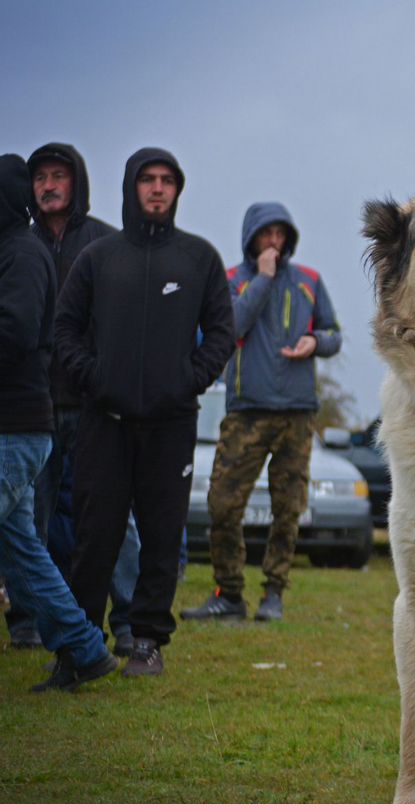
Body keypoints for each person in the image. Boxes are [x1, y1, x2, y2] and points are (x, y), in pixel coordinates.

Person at [54, 147, 234, 677]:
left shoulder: (199, 258)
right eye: (148, 179)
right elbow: (65, 328)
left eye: (167, 181)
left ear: (178, 190)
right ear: (131, 186)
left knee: (160, 539)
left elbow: (221, 333)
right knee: (95, 537)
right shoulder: (99, 258)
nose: (157, 188)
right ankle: (81, 647)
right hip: (104, 423)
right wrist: (94, 377)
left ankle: (147, 641)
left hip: (170, 425)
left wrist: (187, 380)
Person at [181, 203, 341, 623]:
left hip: (297, 414)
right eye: (266, 233)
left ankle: (274, 593)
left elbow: (333, 334)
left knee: (288, 509)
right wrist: (264, 278)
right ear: (251, 237)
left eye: (280, 234)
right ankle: (229, 594)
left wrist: (316, 343)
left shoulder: (309, 280)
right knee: (222, 504)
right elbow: (232, 325)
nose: (273, 241)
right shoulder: (232, 279)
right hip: (246, 412)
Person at [16, 142, 141, 657]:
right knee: (29, 519)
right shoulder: (18, 245)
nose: (48, 186)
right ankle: (27, 620)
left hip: (96, 404)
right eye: (40, 177)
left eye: (57, 176)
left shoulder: (108, 244)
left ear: (77, 182)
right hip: (33, 407)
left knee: (115, 518)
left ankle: (129, 622)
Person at [0, 152, 117, 691]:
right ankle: (85, 649)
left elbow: (18, 331)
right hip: (20, 425)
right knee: (24, 552)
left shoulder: (21, 254)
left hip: (15, 428)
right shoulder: (18, 248)